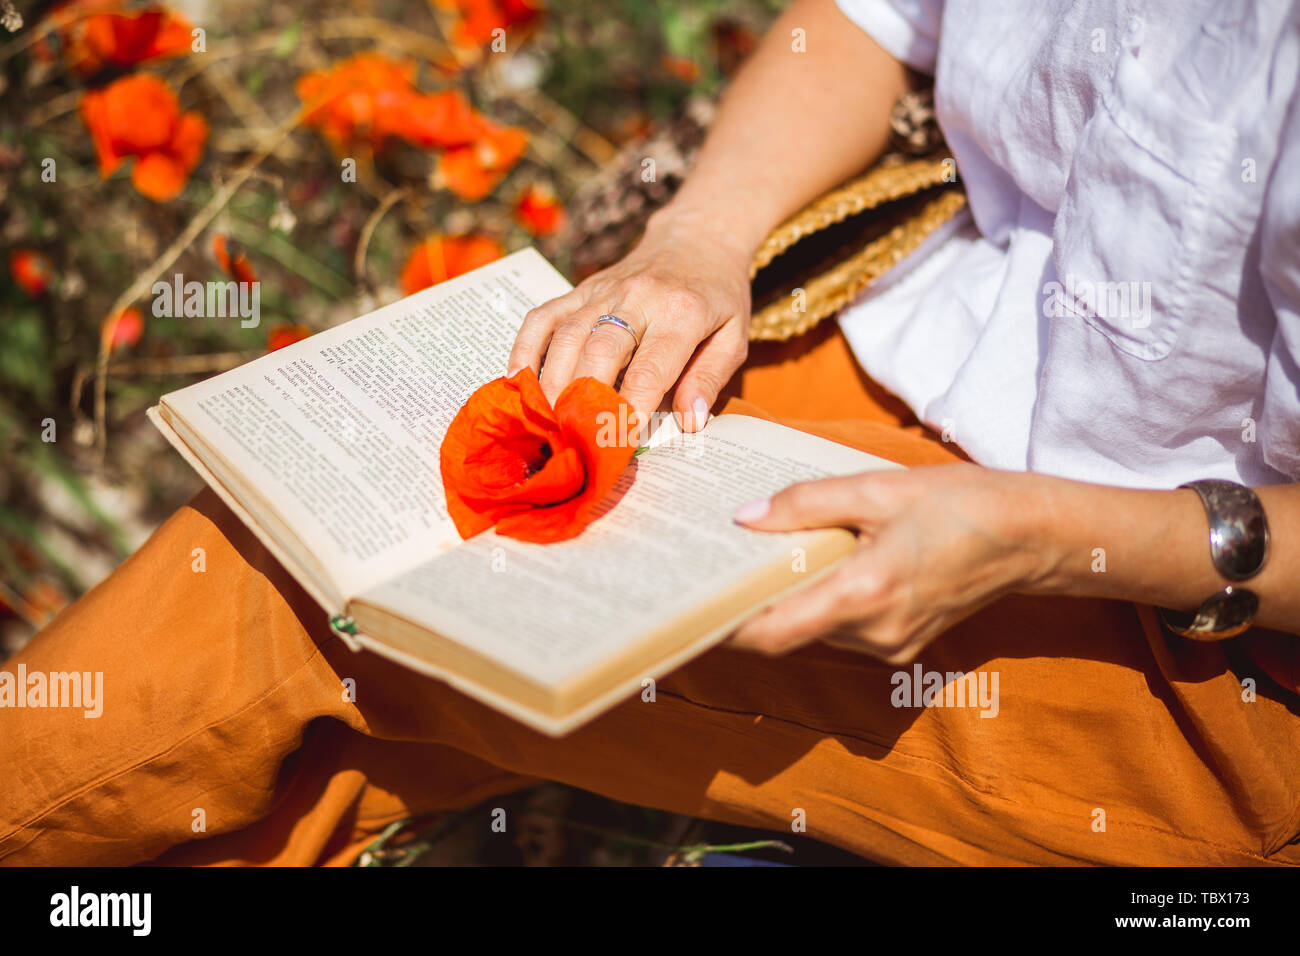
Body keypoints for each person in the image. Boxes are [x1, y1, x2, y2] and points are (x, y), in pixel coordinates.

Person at [2, 0, 1298, 866]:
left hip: (1199, 629)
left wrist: (1055, 542)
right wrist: (696, 242)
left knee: (300, 624)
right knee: (340, 539)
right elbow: (863, 20)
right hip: (907, 332)